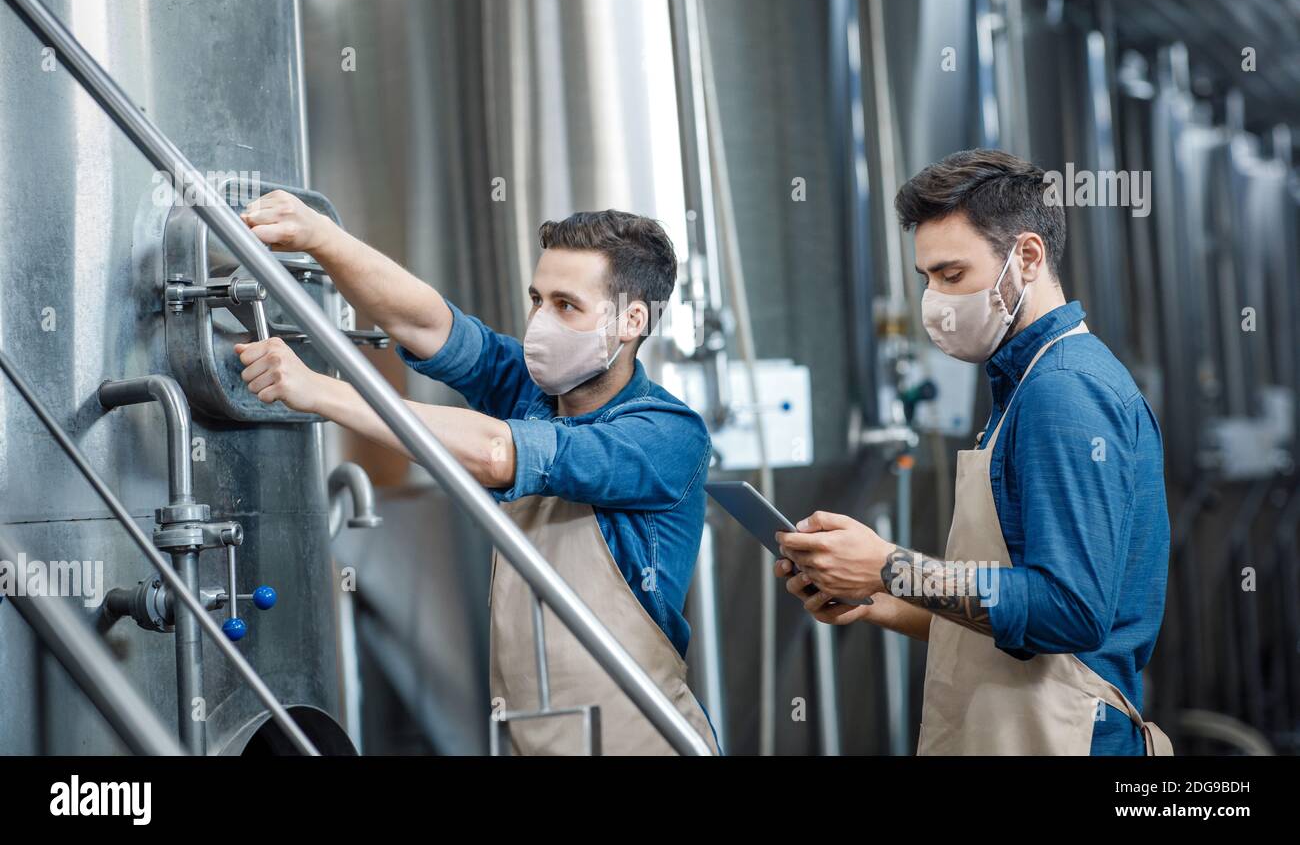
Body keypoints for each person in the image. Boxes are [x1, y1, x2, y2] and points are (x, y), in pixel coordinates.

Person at [234, 196, 719, 755]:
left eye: (567, 306)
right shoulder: (533, 394)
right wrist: (322, 237)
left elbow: (497, 453)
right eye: (537, 300)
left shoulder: (666, 434)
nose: (540, 324)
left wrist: (325, 392)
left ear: (632, 320)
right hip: (530, 740)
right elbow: (425, 323)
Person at [776, 149, 1173, 755]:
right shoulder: (1023, 383)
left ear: (1029, 257)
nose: (934, 300)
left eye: (953, 275)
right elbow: (1015, 624)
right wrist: (880, 599)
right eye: (926, 278)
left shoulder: (1063, 389)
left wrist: (891, 565)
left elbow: (1069, 612)